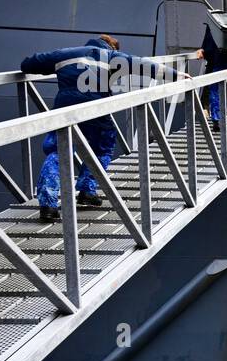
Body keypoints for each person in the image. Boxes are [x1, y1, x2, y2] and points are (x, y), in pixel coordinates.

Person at [20, 35, 187, 222]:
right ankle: (87, 190)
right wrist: (176, 75)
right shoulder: (112, 56)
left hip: (66, 109)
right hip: (95, 107)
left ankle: (48, 205)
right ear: (112, 47)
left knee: (59, 152)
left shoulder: (66, 54)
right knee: (103, 146)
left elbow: (29, 63)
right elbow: (144, 65)